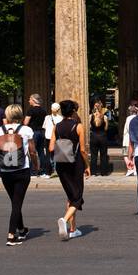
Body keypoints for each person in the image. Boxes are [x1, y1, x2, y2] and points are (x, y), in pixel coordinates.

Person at [0, 104, 38, 245]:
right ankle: (11, 235)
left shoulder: (0, 130)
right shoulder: (26, 130)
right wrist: (36, 164)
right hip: (22, 169)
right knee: (17, 203)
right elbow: (32, 151)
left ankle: (22, 229)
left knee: (15, 201)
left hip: (5, 170)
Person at [51, 99, 89, 240]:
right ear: (73, 111)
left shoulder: (57, 127)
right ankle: (64, 219)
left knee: (70, 195)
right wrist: (87, 166)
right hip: (75, 163)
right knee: (77, 197)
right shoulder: (78, 126)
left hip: (61, 163)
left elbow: (50, 148)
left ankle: (73, 229)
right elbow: (83, 150)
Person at [23, 94, 49, 177]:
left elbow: (25, 123)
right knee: (41, 152)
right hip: (42, 132)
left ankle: (33, 171)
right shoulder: (44, 110)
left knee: (32, 152)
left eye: (30, 99)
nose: (28, 101)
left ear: (34, 100)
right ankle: (43, 171)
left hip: (33, 132)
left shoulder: (30, 110)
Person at [89, 101, 111, 176]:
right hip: (103, 137)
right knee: (104, 155)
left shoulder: (91, 116)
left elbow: (90, 127)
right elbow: (106, 128)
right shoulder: (104, 117)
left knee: (93, 155)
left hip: (94, 137)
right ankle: (104, 172)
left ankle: (93, 172)